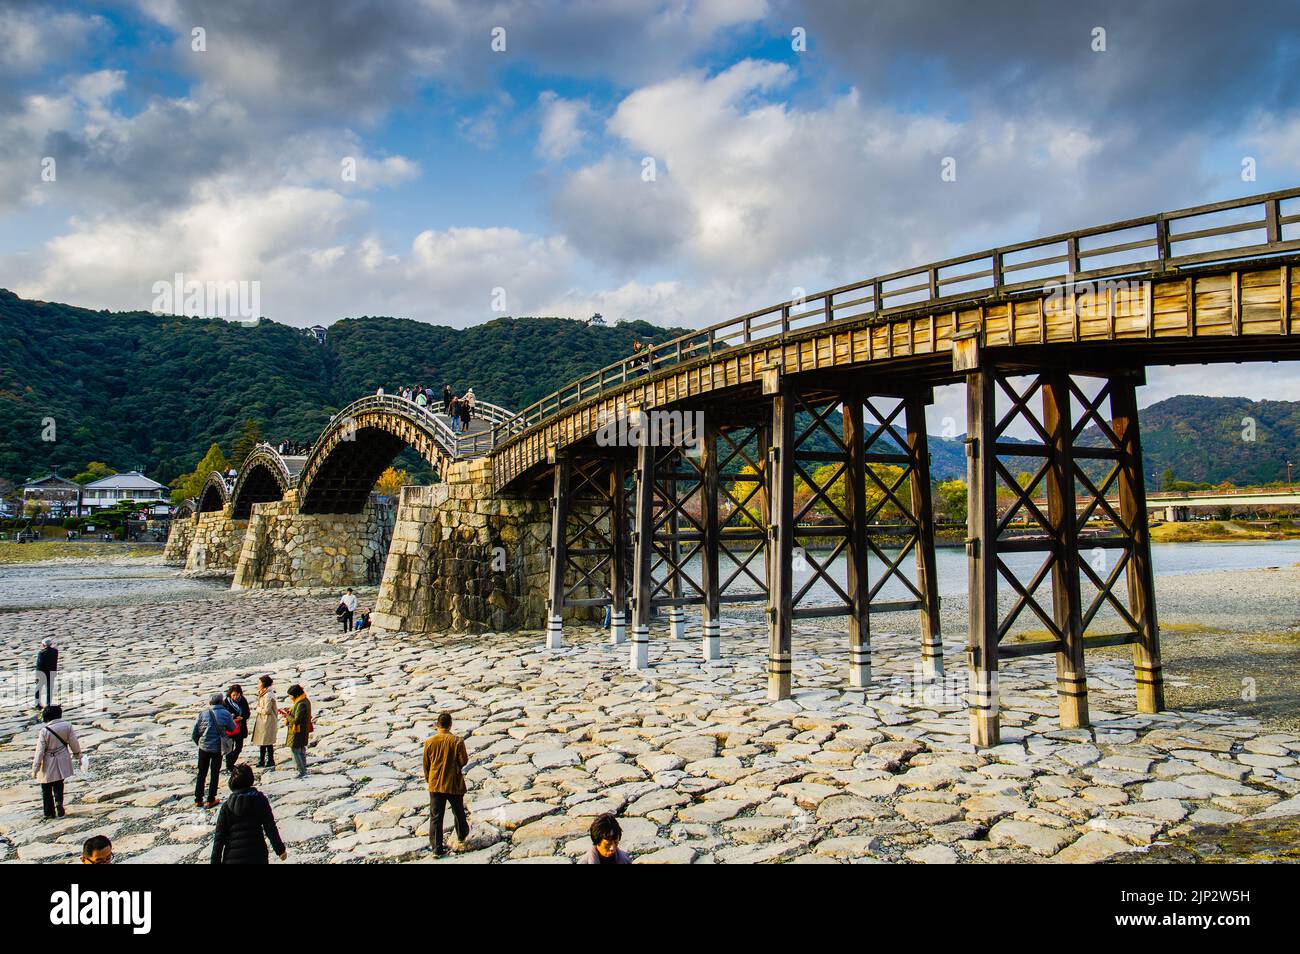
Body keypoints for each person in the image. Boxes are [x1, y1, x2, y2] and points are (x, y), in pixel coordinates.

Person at [211, 763, 287, 864]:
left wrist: (215, 861)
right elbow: (270, 829)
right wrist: (280, 850)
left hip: (232, 857)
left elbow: (219, 838)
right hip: (257, 855)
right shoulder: (260, 801)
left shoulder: (226, 806)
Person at [422, 711, 470, 856]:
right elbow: (464, 761)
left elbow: (426, 764)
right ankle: (462, 835)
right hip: (453, 782)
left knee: (436, 816)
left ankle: (437, 849)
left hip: (435, 784)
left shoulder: (429, 742)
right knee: (458, 811)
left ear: (437, 725)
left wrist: (429, 779)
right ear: (450, 725)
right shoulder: (457, 741)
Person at [32, 704, 81, 819]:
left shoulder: (44, 731)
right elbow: (74, 742)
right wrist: (78, 755)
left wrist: (35, 768)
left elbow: (40, 751)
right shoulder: (67, 726)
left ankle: (49, 813)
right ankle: (59, 804)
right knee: (59, 784)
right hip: (62, 758)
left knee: (46, 788)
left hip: (48, 761)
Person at [192, 692, 238, 808]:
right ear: (221, 701)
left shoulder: (202, 714)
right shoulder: (225, 713)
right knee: (214, 773)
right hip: (217, 747)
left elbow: (195, 733)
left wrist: (201, 743)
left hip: (203, 747)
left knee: (201, 773)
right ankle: (211, 799)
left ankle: (198, 799)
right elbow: (232, 728)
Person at [281, 685, 312, 778]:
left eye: (290, 695)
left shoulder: (301, 704)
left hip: (298, 731)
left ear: (296, 695)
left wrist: (287, 715)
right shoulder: (304, 701)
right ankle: (303, 769)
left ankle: (300, 771)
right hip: (303, 730)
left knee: (295, 750)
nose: (290, 697)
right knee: (301, 749)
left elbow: (296, 720)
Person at [251, 675, 278, 768]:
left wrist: (258, 709)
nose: (258, 684)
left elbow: (267, 710)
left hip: (267, 721)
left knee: (266, 741)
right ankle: (264, 760)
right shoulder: (264, 693)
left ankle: (268, 760)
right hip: (264, 720)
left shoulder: (268, 695)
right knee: (264, 741)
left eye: (259, 683)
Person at [222, 684, 251, 772]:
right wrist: (232, 718)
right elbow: (223, 715)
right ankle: (229, 766)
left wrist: (242, 717)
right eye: (233, 695)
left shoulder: (243, 700)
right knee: (229, 748)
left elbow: (247, 713)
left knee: (239, 747)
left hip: (240, 728)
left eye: (237, 695)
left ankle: (231, 763)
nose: (235, 697)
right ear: (230, 694)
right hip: (229, 728)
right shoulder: (226, 702)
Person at [34, 636, 57, 710]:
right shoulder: (55, 651)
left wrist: (37, 676)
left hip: (42, 673)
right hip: (51, 672)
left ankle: (37, 704)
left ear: (44, 645)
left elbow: (39, 665)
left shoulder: (41, 653)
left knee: (38, 689)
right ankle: (48, 704)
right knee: (49, 689)